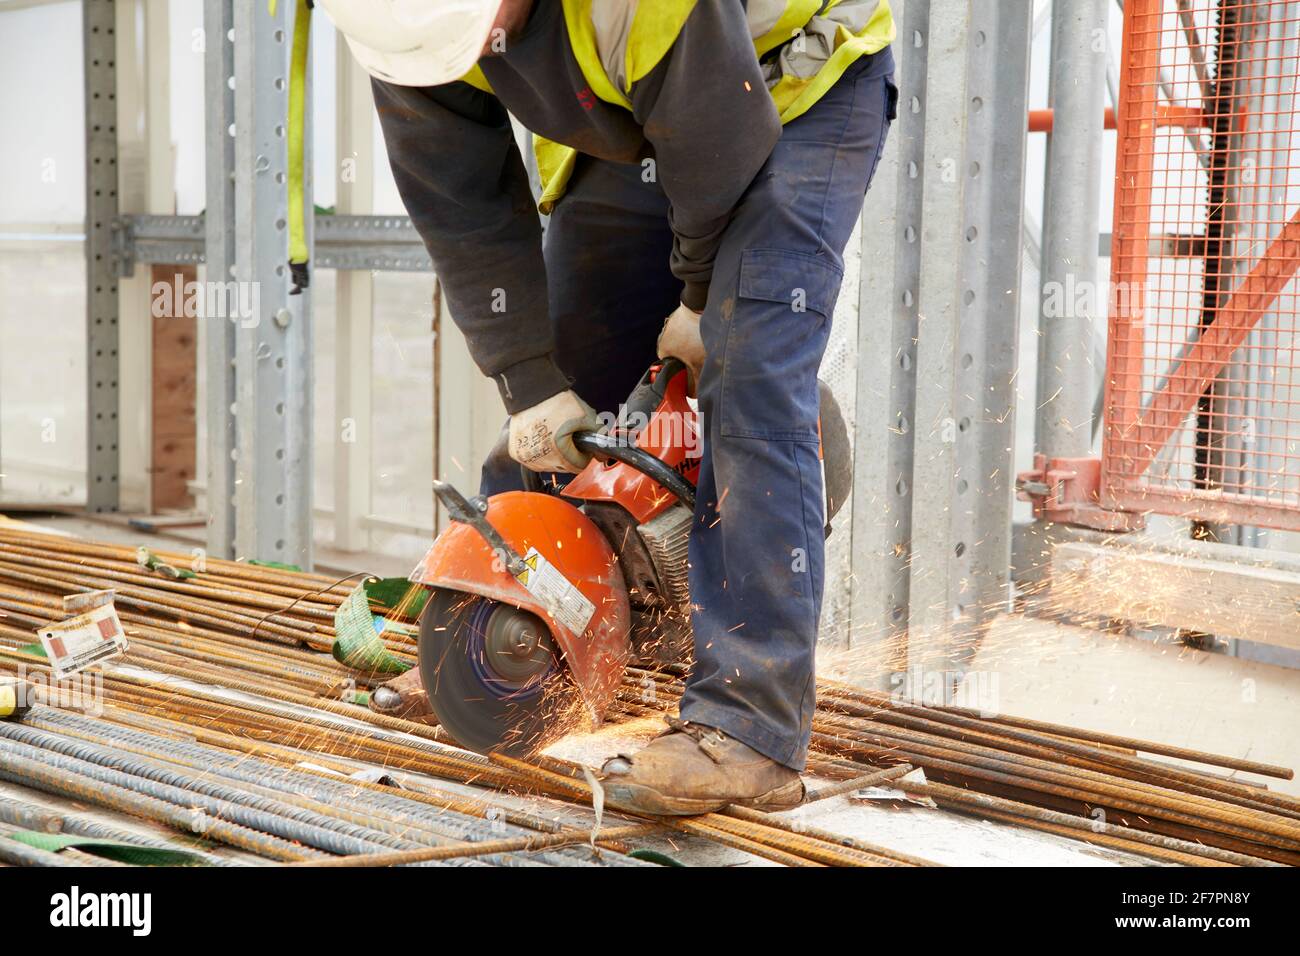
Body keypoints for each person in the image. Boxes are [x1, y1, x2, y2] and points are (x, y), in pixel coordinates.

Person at [321, 0, 896, 815]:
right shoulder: (400, 21)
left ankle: (750, 728)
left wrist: (701, 301)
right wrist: (530, 380)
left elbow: (719, 142)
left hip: (794, 86)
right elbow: (459, 198)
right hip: (633, 113)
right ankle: (497, 646)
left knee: (750, 361)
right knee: (574, 363)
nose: (482, 53)